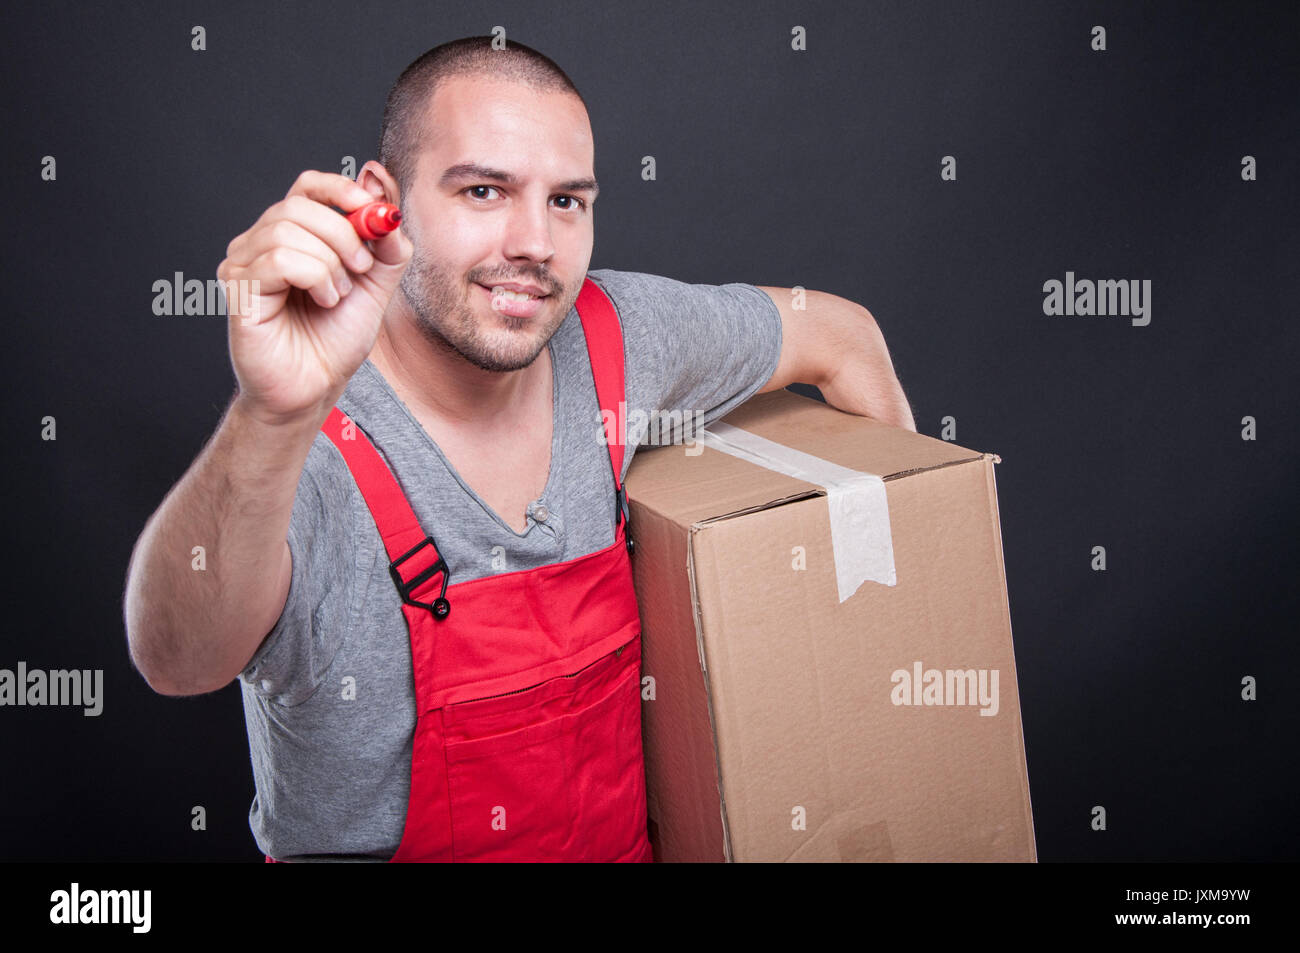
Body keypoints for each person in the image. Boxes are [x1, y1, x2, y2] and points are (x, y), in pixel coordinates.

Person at [122, 36, 914, 863]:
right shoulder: (307, 449)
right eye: (484, 189)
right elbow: (177, 659)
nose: (535, 242)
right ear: (380, 201)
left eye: (567, 201)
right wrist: (272, 414)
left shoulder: (617, 338)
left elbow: (843, 335)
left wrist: (890, 607)